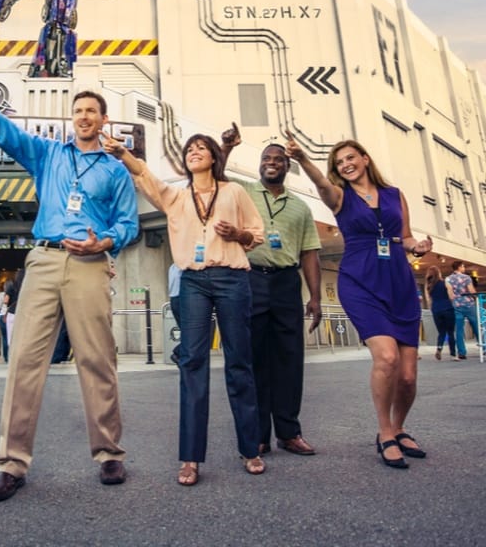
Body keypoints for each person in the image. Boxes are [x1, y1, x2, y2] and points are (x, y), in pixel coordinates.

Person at [0, 67, 138, 501]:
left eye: (92, 111)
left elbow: (128, 223)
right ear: (72, 118)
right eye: (78, 110)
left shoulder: (115, 171)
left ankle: (109, 453)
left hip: (90, 264)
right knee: (24, 360)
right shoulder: (49, 154)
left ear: (104, 119)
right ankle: (11, 464)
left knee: (97, 359)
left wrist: (105, 242)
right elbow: (9, 135)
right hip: (42, 259)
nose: (84, 116)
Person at [103, 131, 265, 486]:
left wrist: (237, 235)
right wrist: (121, 153)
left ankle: (250, 447)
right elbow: (144, 175)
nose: (194, 152)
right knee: (192, 362)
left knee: (239, 361)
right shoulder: (176, 196)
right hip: (193, 281)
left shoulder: (234, 192)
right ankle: (190, 457)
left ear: (214, 157)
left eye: (201, 148)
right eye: (190, 149)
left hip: (232, 278)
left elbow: (257, 233)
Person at [285, 134, 432, 469]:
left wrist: (418, 247)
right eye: (339, 163)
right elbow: (321, 183)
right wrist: (303, 158)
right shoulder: (340, 197)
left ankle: (399, 427)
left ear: (365, 159)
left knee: (408, 376)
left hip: (399, 282)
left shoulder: (394, 195)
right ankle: (385, 432)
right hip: (360, 281)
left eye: (350, 158)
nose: (346, 165)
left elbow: (405, 237)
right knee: (387, 357)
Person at [221, 125, 322, 457]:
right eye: (267, 158)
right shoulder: (244, 192)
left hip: (286, 284)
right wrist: (227, 147)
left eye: (278, 158)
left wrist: (316, 297)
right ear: (260, 164)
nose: (272, 162)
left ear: (287, 166)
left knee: (289, 359)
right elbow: (216, 179)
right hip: (250, 279)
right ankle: (259, 435)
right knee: (254, 359)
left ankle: (289, 433)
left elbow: (309, 253)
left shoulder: (301, 208)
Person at [445, 260, 479, 359]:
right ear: (459, 267)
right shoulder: (466, 277)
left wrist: (455, 301)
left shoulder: (448, 279)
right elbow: (471, 291)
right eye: (463, 266)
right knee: (476, 326)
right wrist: (476, 298)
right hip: (469, 305)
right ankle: (484, 348)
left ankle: (462, 352)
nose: (464, 268)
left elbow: (450, 294)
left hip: (457, 305)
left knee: (459, 330)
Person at [424, 266, 456, 360]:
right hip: (447, 308)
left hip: (436, 310)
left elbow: (428, 300)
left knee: (441, 332)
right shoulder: (445, 282)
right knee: (450, 332)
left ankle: (439, 348)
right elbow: (451, 296)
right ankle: (453, 355)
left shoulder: (428, 286)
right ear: (439, 273)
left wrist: (433, 309)